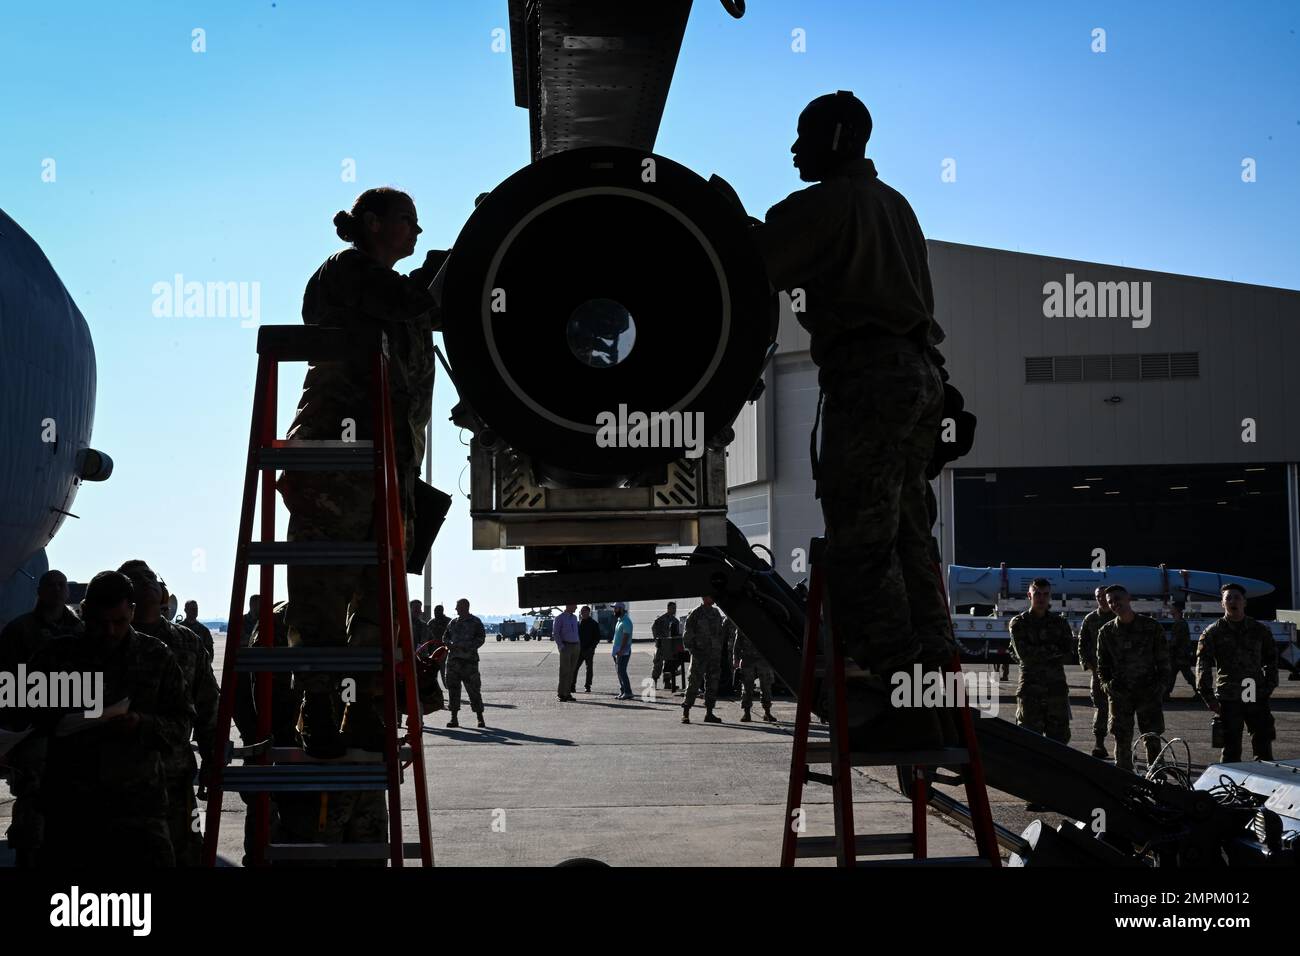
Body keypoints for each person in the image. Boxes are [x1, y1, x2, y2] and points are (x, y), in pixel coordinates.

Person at [747, 91, 956, 748]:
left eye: (804, 136)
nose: (793, 150)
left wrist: (731, 222)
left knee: (863, 548)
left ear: (836, 140)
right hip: (922, 378)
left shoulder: (821, 207)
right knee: (909, 538)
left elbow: (750, 265)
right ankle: (937, 687)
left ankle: (903, 700)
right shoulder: (897, 206)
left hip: (868, 380)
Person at [277, 187, 445, 758]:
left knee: (381, 593)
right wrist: (441, 275)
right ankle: (318, 707)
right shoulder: (347, 274)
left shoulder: (395, 293)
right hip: (338, 458)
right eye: (407, 221)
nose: (416, 232)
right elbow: (403, 302)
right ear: (372, 224)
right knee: (323, 585)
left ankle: (365, 708)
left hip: (391, 465)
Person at [26, 571, 193, 867]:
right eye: (100, 623)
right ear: (85, 611)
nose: (111, 631)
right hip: (70, 809)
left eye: (119, 622)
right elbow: (24, 717)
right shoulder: (55, 657)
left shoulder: (156, 656)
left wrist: (142, 723)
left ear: (132, 611)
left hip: (139, 808)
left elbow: (181, 724)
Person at [117, 560, 218, 866]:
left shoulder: (187, 641)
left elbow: (208, 705)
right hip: (121, 780)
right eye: (137, 579)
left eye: (151, 577)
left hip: (176, 777)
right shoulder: (110, 639)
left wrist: (213, 761)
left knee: (189, 852)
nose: (147, 582)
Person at [0, 569, 82, 867]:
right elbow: (5, 683)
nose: (58, 590)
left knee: (71, 813)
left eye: (62, 585)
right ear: (40, 591)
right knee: (31, 814)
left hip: (74, 736)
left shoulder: (82, 631)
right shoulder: (19, 631)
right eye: (52, 585)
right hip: (32, 735)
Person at [1196, 583, 1277, 762]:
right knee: (1231, 748)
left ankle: (1264, 786)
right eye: (1228, 598)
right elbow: (1203, 666)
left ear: (1244, 602)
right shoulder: (1213, 632)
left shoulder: (1259, 630)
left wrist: (1269, 686)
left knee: (1263, 746)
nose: (1233, 601)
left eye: (1237, 597)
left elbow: (1271, 660)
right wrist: (1208, 697)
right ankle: (1230, 786)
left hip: (1254, 693)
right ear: (1222, 604)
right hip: (1228, 696)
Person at [1096, 585, 1169, 773]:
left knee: (1152, 739)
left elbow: (1163, 660)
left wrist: (1160, 686)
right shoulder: (1106, 632)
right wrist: (1108, 686)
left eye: (1118, 598)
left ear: (1129, 598)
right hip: (1120, 694)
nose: (1114, 604)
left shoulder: (1151, 627)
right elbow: (1102, 665)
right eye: (1110, 601)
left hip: (1148, 692)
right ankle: (1123, 781)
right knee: (1121, 740)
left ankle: (1156, 780)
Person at [1006, 578, 1072, 746]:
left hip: (1056, 690)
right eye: (1037, 594)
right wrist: (1052, 650)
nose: (1041, 598)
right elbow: (1025, 656)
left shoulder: (1060, 623)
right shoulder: (1019, 623)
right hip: (1031, 691)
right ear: (1029, 595)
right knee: (1028, 743)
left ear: (1050, 596)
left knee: (1059, 743)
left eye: (1045, 594)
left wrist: (1038, 651)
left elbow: (1067, 653)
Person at [1077, 586, 1115, 758]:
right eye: (1098, 596)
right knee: (1100, 708)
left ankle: (1121, 746)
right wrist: (1088, 665)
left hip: (1119, 672)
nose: (1100, 599)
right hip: (1098, 672)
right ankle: (1099, 744)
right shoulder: (1090, 619)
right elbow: (1082, 644)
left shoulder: (1118, 617)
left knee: (1121, 709)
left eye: (1103, 596)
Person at [444, 599, 486, 728]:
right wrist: (449, 644)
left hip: (469, 662)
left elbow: (481, 638)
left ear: (465, 607)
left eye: (458, 607)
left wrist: (467, 646)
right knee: (453, 690)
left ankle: (480, 718)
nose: (456, 609)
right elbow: (445, 637)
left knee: (473, 690)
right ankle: (454, 718)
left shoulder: (475, 622)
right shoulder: (453, 622)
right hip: (454, 662)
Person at [682, 597, 724, 724]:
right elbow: (687, 634)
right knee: (693, 683)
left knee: (713, 683)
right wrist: (693, 651)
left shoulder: (716, 613)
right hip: (699, 655)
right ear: (705, 597)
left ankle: (709, 713)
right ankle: (686, 712)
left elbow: (720, 633)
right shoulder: (696, 613)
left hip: (714, 656)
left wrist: (718, 648)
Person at [729, 618, 776, 723]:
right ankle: (747, 713)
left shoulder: (767, 625)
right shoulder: (743, 625)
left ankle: (767, 712)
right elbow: (736, 645)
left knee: (766, 687)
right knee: (747, 687)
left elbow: (772, 642)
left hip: (763, 660)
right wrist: (735, 659)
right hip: (748, 660)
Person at [1165, 601, 1195, 699]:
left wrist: (1166, 647)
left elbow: (1175, 641)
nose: (1170, 610)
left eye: (1172, 608)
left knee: (1187, 675)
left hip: (1179, 655)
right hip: (1179, 654)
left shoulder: (1180, 624)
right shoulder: (1180, 622)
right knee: (1171, 674)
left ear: (1176, 610)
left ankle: (1201, 691)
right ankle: (1165, 693)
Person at [553, 603, 580, 702]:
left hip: (576, 645)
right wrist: (561, 646)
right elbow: (556, 633)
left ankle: (567, 693)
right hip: (566, 646)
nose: (576, 607)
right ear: (569, 605)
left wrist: (578, 644)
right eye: (575, 605)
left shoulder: (574, 617)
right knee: (564, 671)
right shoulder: (560, 618)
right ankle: (561, 694)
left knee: (572, 671)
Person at [652, 602, 681, 691]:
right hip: (662, 645)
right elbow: (654, 628)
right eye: (673, 608)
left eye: (675, 608)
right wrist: (657, 638)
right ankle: (655, 682)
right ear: (668, 608)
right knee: (658, 664)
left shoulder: (676, 621)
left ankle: (667, 683)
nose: (674, 610)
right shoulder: (661, 619)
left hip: (671, 646)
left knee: (670, 664)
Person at [573, 605, 601, 694]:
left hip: (589, 650)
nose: (582, 613)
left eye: (584, 611)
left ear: (588, 612)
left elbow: (597, 637)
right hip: (579, 650)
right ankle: (572, 686)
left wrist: (592, 647)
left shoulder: (594, 623)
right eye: (581, 611)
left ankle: (587, 686)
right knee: (574, 668)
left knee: (589, 669)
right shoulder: (578, 623)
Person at [611, 603, 634, 700]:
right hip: (617, 650)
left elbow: (626, 636)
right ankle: (623, 691)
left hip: (623, 650)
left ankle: (628, 692)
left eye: (615, 608)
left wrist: (621, 650)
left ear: (621, 609)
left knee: (622, 671)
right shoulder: (619, 620)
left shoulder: (626, 621)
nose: (614, 610)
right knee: (619, 671)